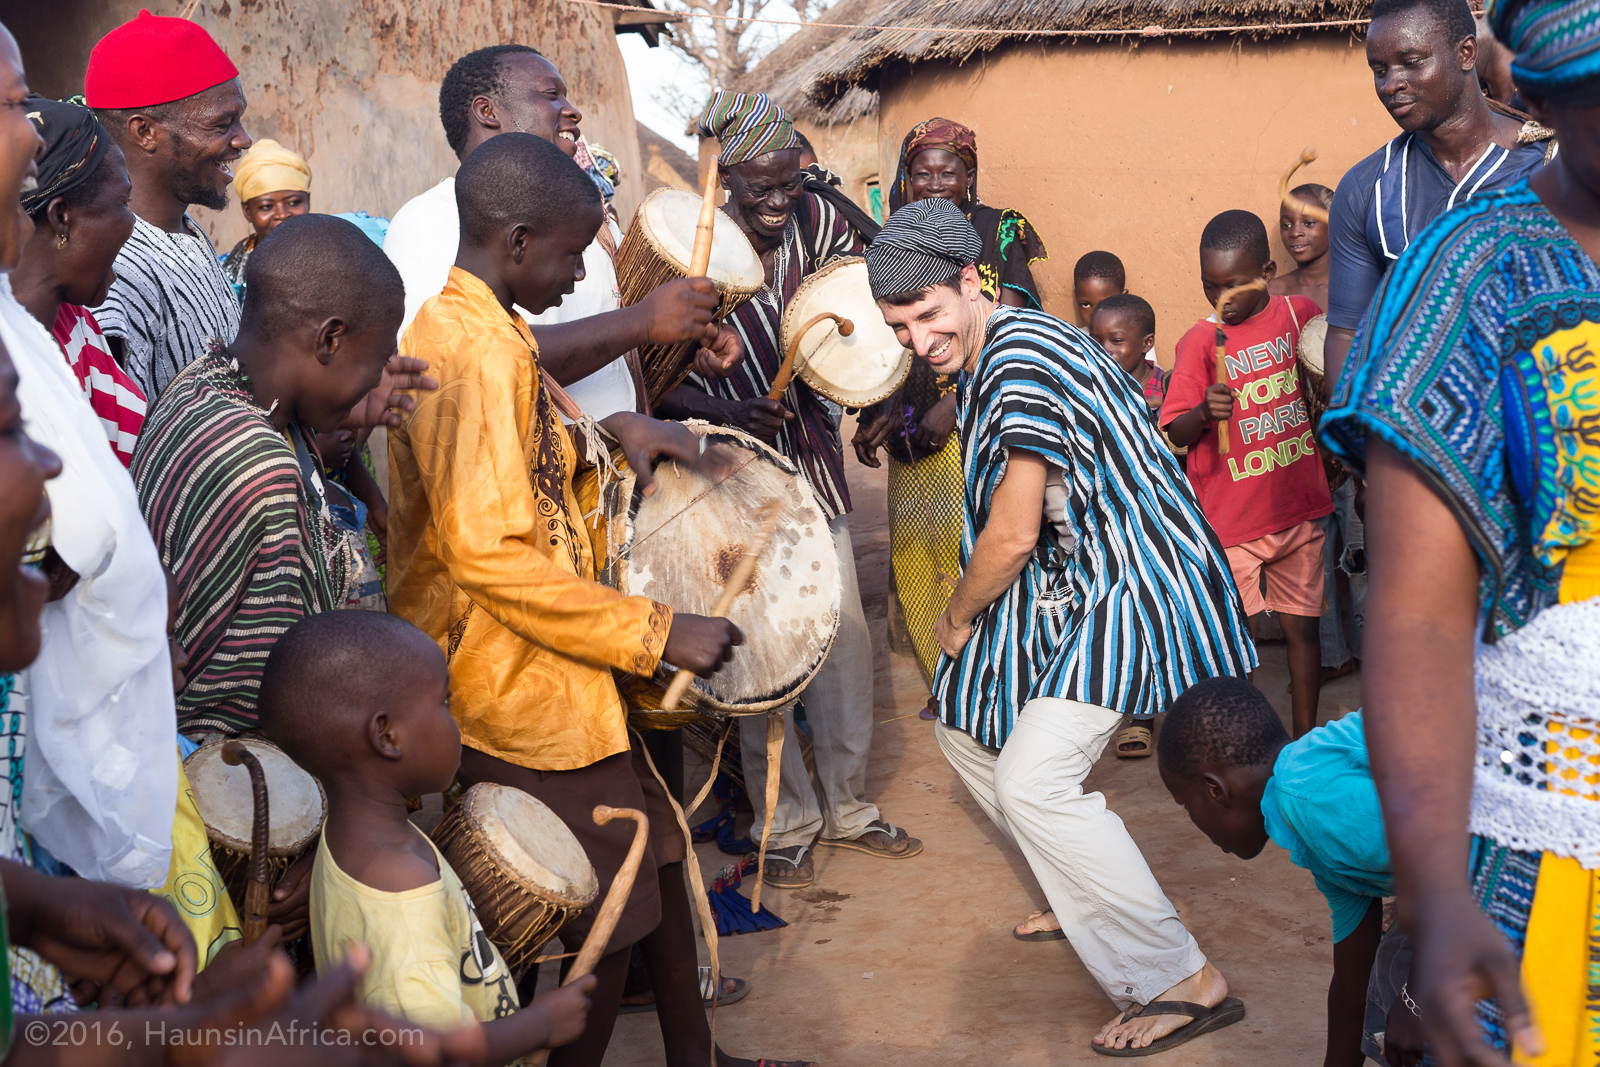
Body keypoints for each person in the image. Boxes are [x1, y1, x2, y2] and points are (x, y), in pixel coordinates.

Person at [388, 130, 805, 1067]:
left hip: (557, 663)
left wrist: (618, 433)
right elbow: (488, 552)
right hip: (508, 675)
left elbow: (527, 469)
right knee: (612, 903)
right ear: (520, 238)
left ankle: (695, 1055)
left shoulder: (490, 332)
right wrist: (656, 629)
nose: (582, 275)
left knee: (654, 854)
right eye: (577, 254)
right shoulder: (473, 350)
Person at [868, 198, 1257, 1056]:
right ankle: (1096, 886)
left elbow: (1011, 534)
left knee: (1035, 782)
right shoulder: (997, 346)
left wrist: (957, 617)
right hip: (1075, 577)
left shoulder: (1019, 358)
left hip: (1139, 580)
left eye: (929, 316)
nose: (919, 342)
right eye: (900, 329)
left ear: (972, 283)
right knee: (967, 723)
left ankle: (1180, 980)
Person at [1320, 0, 1600, 1058]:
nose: (1394, 80)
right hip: (1560, 827)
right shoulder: (1469, 273)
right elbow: (1422, 620)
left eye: (1413, 59)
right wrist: (1432, 892)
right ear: (1553, 101)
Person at [658, 90, 922, 890]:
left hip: (812, 466)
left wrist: (882, 395)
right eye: (759, 188)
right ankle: (788, 819)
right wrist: (724, 409)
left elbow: (884, 285)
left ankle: (848, 808)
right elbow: (650, 388)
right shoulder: (689, 249)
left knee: (844, 639)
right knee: (762, 652)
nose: (777, 203)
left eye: (789, 183)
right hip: (728, 480)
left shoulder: (821, 218)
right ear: (727, 177)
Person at [134, 214, 426, 740]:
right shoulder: (259, 466)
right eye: (376, 362)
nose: (374, 385)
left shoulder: (201, 384)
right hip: (235, 772)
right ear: (330, 339)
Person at [260, 610, 596, 1058]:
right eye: (444, 703)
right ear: (387, 735)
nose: (455, 720)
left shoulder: (351, 840)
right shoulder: (400, 890)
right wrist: (539, 1025)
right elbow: (429, 1053)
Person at [383, 44, 738, 421]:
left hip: (624, 469)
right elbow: (455, 365)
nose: (573, 110)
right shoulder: (430, 219)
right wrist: (643, 321)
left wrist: (694, 337)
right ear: (488, 112)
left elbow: (626, 338)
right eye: (551, 95)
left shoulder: (594, 225)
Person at [852, 118, 1049, 725]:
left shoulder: (997, 232)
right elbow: (884, 340)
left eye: (949, 172)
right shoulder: (893, 243)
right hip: (914, 427)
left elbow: (1008, 321)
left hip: (979, 417)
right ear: (905, 180)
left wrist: (956, 402)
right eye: (922, 172)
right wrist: (878, 408)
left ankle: (994, 674)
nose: (936, 183)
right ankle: (949, 677)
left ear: (971, 176)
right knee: (918, 554)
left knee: (982, 550)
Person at [1157, 678, 1425, 1067]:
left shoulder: (1311, 801)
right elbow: (1352, 985)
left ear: (1216, 791)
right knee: (1390, 974)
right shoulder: (1307, 822)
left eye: (1187, 806)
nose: (1193, 821)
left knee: (1419, 1003)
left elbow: (1465, 858)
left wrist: (1416, 1002)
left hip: (1516, 849)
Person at [1322, 0, 1553, 390]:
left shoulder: (1553, 164)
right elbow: (1347, 338)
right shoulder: (1366, 190)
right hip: (1421, 437)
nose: (1390, 84)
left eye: (1411, 62)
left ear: (1465, 53)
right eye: (1379, 71)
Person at [1162, 210, 1332, 738]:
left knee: (1305, 634)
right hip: (1233, 525)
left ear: (1268, 268)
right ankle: (1252, 745)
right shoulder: (1198, 341)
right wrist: (1201, 412)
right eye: (1211, 287)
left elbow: (1326, 386)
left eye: (1235, 284)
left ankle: (1303, 745)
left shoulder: (1299, 315)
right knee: (1241, 644)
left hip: (1298, 509)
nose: (1223, 299)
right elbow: (1177, 431)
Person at [83, 10, 251, 401]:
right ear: (145, 132)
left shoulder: (185, 230)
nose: (244, 140)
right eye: (222, 124)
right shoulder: (116, 274)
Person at [10, 95, 144, 467]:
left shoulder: (75, 329)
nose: (133, 223)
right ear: (61, 218)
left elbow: (143, 457)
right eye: (122, 201)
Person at [220, 138, 311, 299]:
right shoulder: (222, 274)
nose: (282, 214)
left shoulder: (335, 259)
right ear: (247, 211)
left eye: (293, 203)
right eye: (266, 206)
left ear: (308, 202)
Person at [1269, 183, 1334, 313]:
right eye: (1286, 225)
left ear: (1334, 223)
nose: (1295, 233)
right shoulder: (1270, 293)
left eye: (1308, 223)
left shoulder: (1352, 290)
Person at [1073, 249, 1126, 326]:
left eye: (1105, 305)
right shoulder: (1075, 337)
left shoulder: (1133, 336)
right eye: (1086, 305)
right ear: (1076, 297)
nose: (1095, 316)